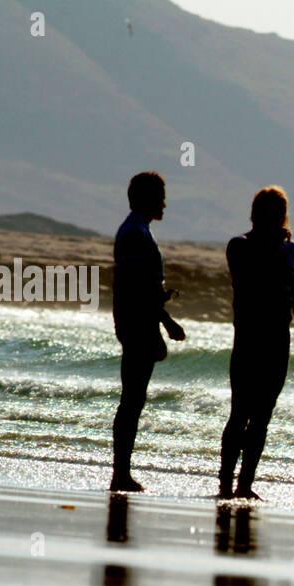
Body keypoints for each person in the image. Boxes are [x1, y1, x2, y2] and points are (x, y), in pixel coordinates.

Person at [218, 186, 294, 500]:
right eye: (268, 213)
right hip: (248, 338)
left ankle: (245, 484)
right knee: (240, 413)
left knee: (263, 416)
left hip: (278, 341)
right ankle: (225, 484)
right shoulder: (240, 246)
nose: (274, 219)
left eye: (278, 213)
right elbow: (251, 282)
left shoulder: (293, 252)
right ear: (257, 215)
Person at [110, 171, 186, 492]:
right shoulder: (136, 233)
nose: (165, 204)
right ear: (146, 199)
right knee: (132, 399)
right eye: (160, 197)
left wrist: (161, 301)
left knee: (133, 398)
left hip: (136, 320)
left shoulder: (137, 231)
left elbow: (141, 286)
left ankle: (121, 472)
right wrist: (166, 320)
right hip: (136, 322)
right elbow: (138, 289)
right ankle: (120, 474)